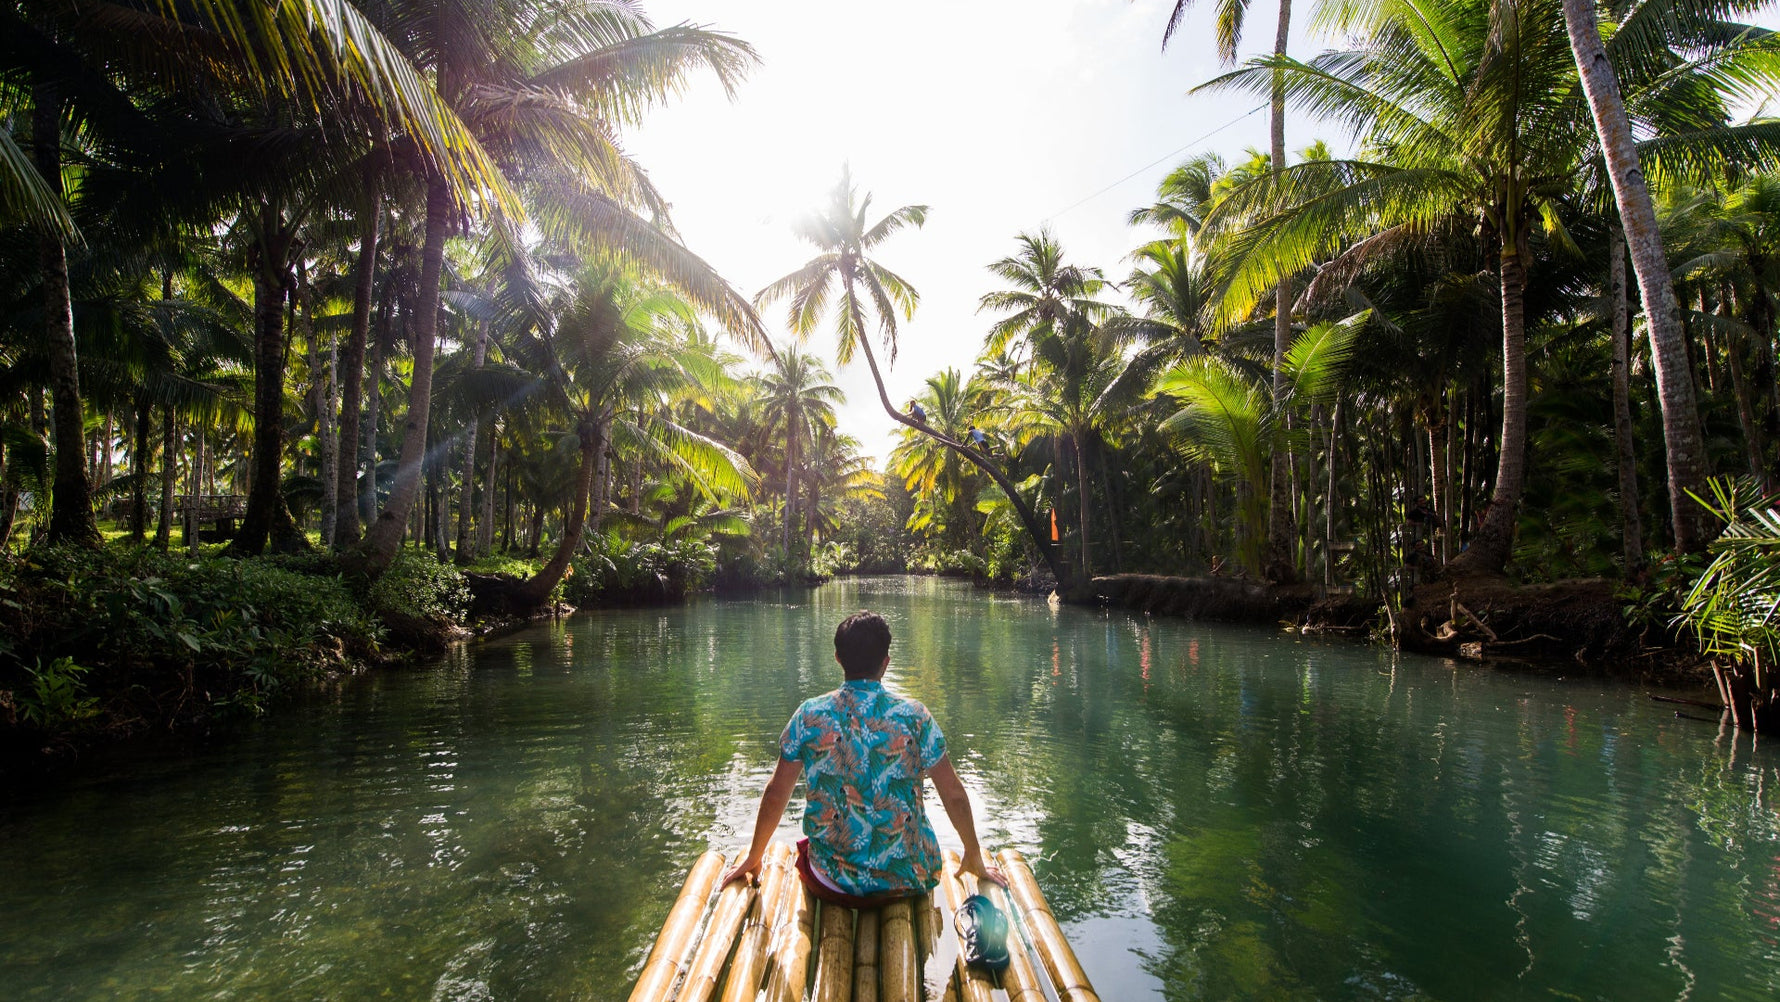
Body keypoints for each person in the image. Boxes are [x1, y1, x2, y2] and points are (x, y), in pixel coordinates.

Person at [721, 610, 1005, 905]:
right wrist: (973, 853)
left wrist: (754, 857)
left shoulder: (809, 715)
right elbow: (954, 795)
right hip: (908, 877)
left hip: (831, 881)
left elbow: (777, 792)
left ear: (837, 658)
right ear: (886, 663)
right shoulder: (915, 716)